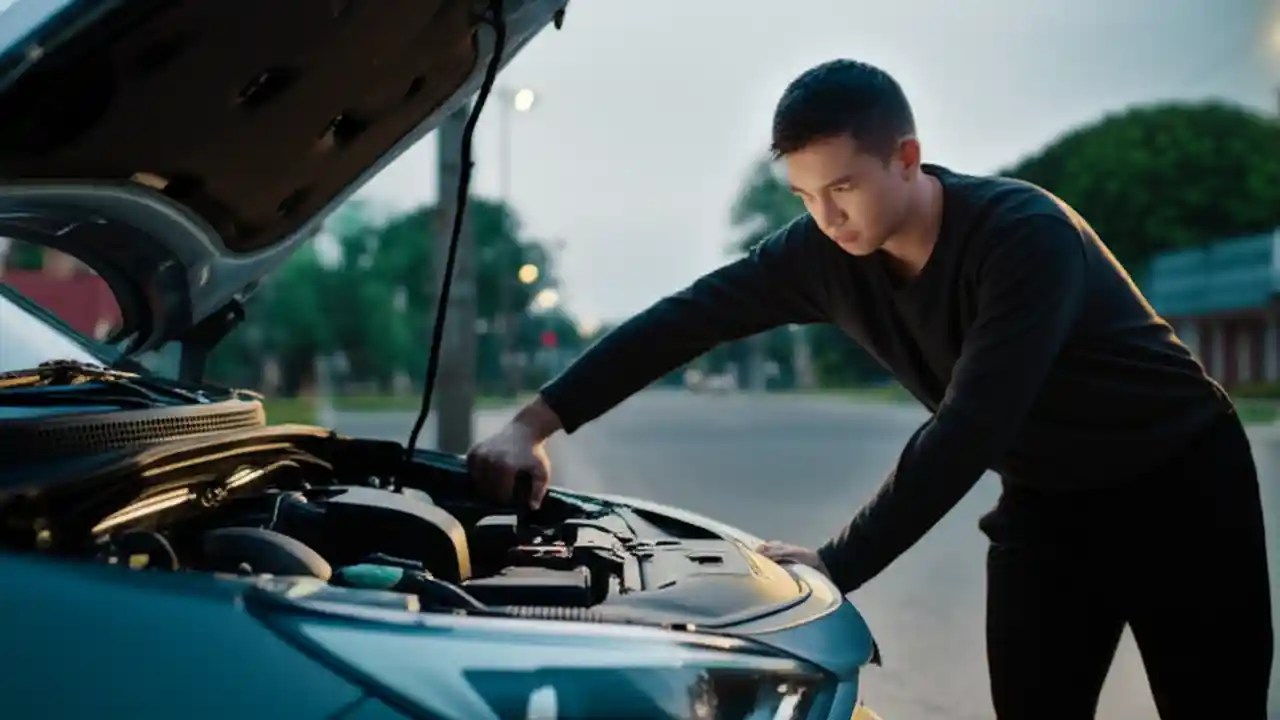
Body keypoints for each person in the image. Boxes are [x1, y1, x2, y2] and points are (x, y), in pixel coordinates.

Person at [466, 59, 1272, 717]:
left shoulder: (1025, 239)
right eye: (805, 196)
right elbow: (686, 320)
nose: (825, 218)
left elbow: (969, 429)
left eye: (843, 188)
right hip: (1049, 500)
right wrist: (532, 423)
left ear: (908, 159)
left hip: (1181, 486)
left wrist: (837, 562)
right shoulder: (822, 254)